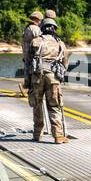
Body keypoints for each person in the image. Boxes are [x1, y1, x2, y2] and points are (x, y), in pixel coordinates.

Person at [28, 16, 69, 144]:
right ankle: (58, 136)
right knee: (54, 106)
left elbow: (28, 60)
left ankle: (37, 134)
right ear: (54, 28)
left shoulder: (35, 41)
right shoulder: (60, 43)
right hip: (53, 78)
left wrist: (28, 78)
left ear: (42, 28)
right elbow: (65, 62)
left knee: (37, 105)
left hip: (37, 76)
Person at [19, 10, 44, 98]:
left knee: (27, 72)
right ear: (37, 20)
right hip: (32, 54)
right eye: (40, 20)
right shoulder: (35, 28)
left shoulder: (27, 28)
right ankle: (27, 88)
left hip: (26, 53)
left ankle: (26, 88)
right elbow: (40, 41)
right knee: (33, 72)